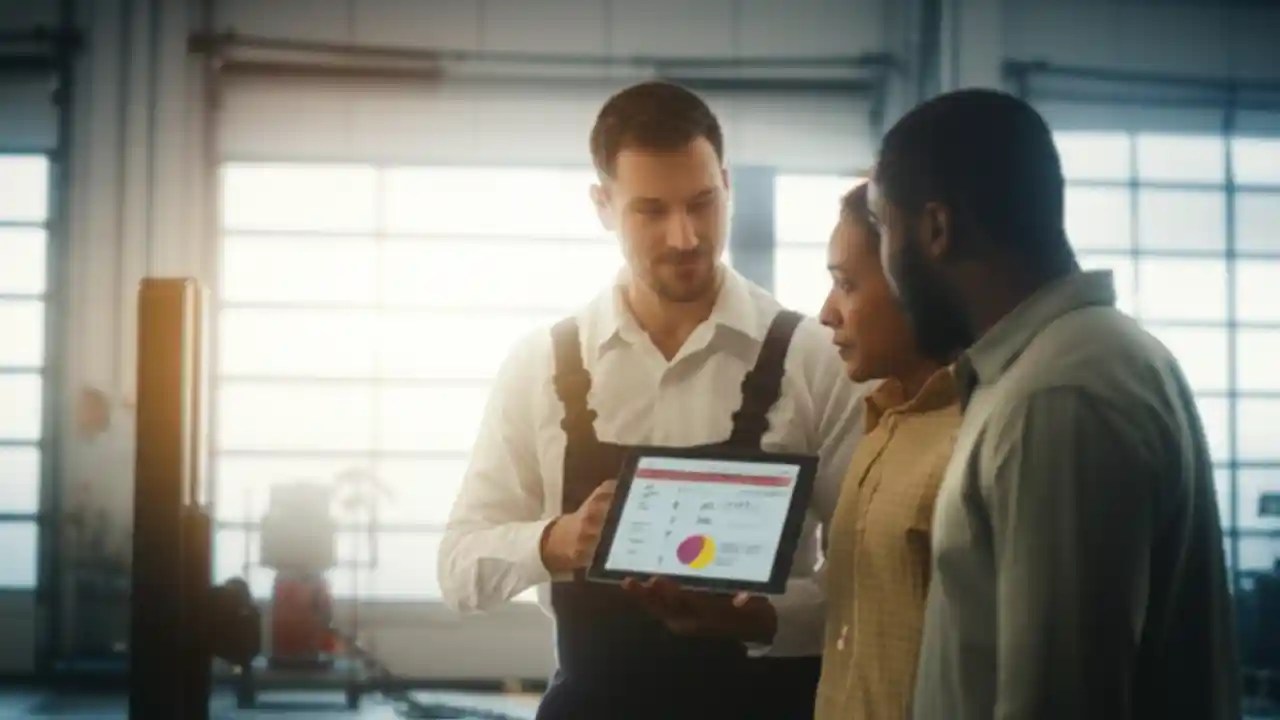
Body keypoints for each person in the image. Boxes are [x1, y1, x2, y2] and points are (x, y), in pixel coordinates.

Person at [437, 81, 865, 720]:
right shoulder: (542, 365)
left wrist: (759, 616)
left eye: (702, 203)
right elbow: (459, 569)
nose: (685, 237)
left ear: (726, 182)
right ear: (603, 205)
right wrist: (556, 542)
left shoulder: (815, 357)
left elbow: (863, 588)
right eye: (650, 211)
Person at [866, 88, 1240, 719]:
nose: (884, 259)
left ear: (936, 228)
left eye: (882, 227)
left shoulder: (1057, 396)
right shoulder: (1056, 365)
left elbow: (1061, 700)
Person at [811, 182, 962, 719]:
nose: (827, 313)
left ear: (911, 277)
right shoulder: (882, 424)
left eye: (846, 285)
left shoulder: (975, 440)